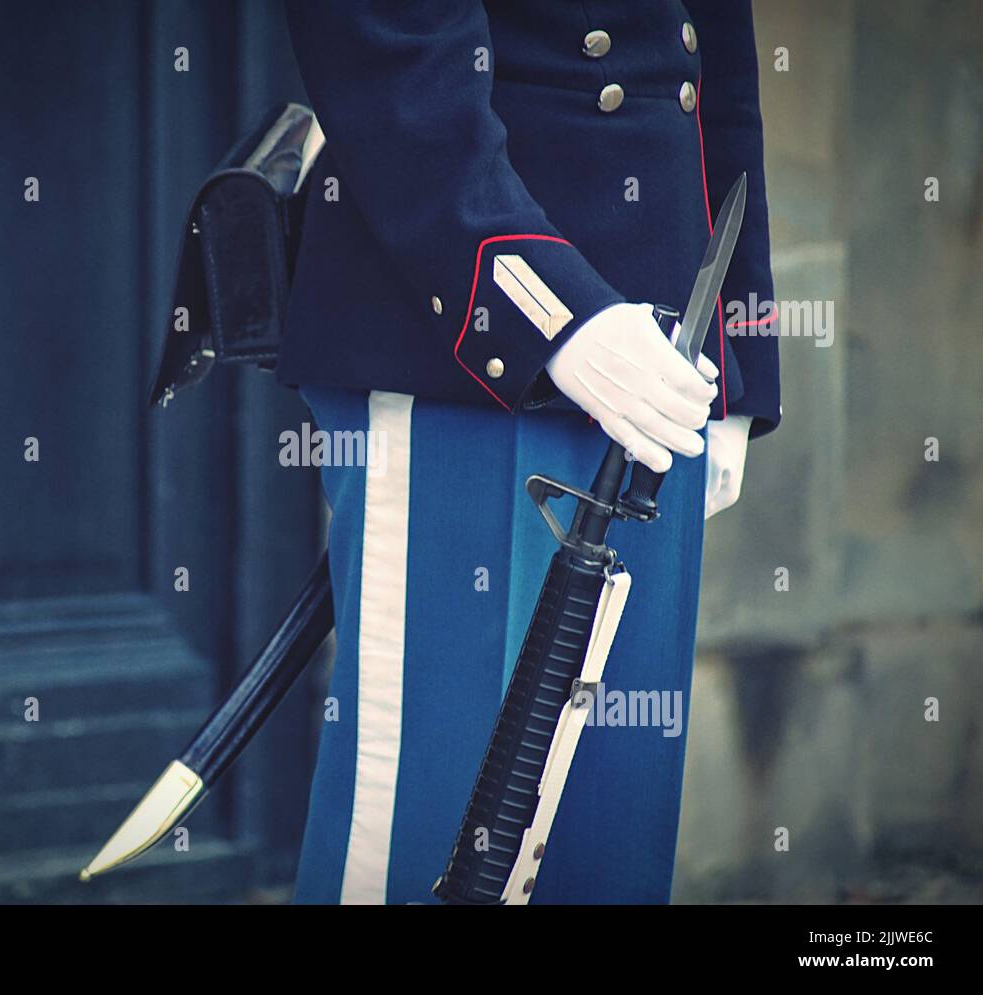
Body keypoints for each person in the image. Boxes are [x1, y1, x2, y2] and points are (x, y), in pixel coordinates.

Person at [278, 1, 780, 904]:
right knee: (431, 841)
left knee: (607, 847)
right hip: (460, 340)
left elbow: (714, 66)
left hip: (668, 351)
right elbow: (388, 54)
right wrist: (551, 312)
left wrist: (741, 353)